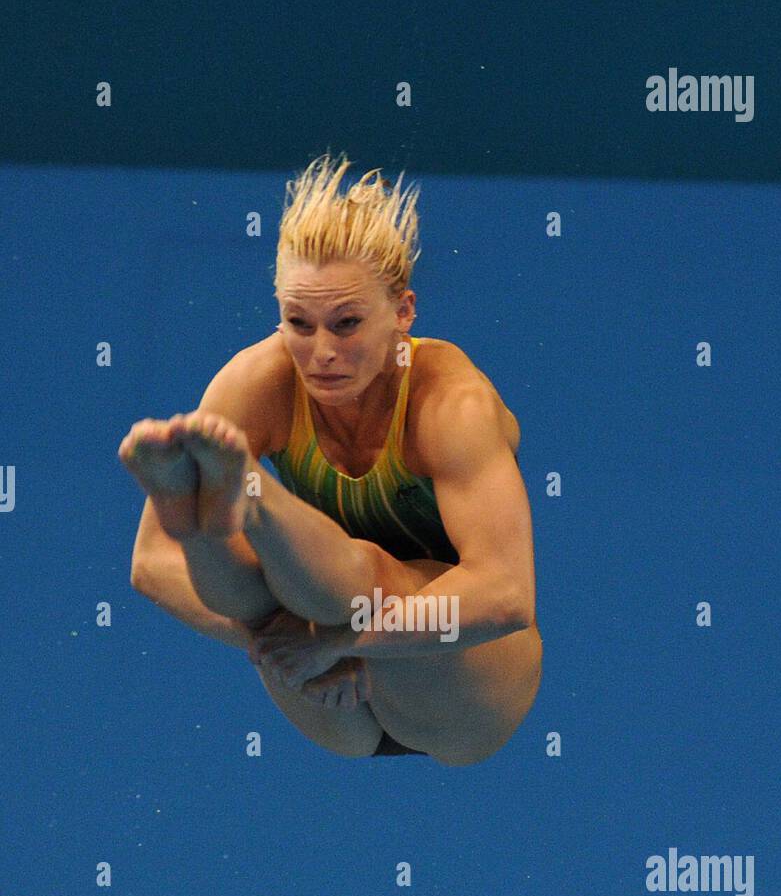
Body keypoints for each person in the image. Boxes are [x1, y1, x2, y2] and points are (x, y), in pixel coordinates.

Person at [119, 152, 543, 764]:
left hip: (465, 687)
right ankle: (241, 511)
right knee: (268, 585)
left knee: (366, 572)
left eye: (346, 323)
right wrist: (281, 643)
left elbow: (506, 596)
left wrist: (346, 642)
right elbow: (150, 563)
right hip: (329, 687)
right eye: (299, 322)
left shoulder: (451, 402)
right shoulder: (257, 381)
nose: (321, 353)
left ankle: (255, 501)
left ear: (404, 312)